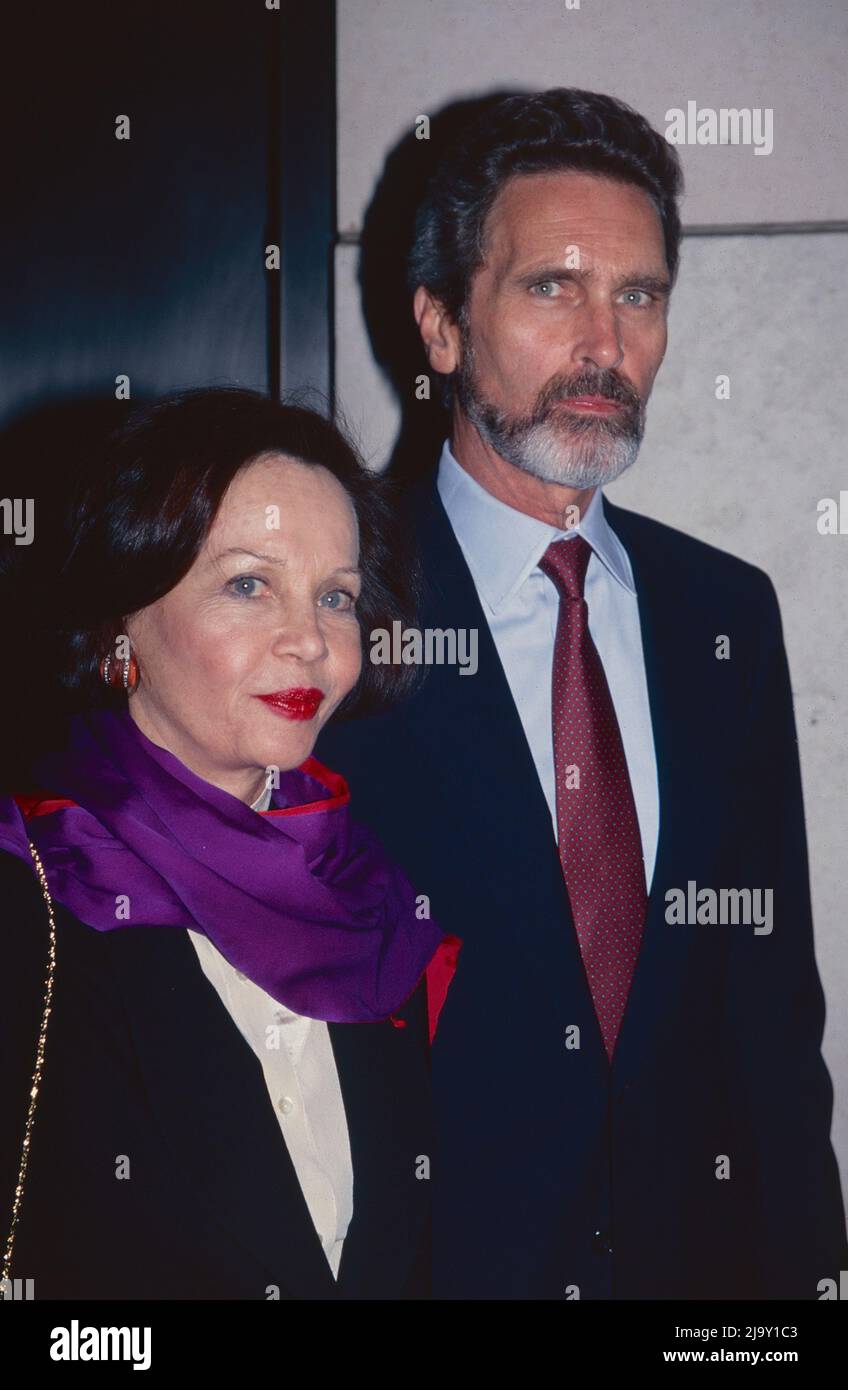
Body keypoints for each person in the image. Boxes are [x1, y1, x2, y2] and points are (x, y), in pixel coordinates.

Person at [316, 87, 848, 1299]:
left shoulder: (724, 614)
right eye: (551, 287)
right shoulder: (331, 606)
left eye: (639, 294)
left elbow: (766, 1017)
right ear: (440, 326)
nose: (604, 344)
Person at [0, 388, 457, 1301]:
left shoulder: (374, 902)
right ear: (122, 624)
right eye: (249, 584)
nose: (310, 641)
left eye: (336, 596)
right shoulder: (34, 895)